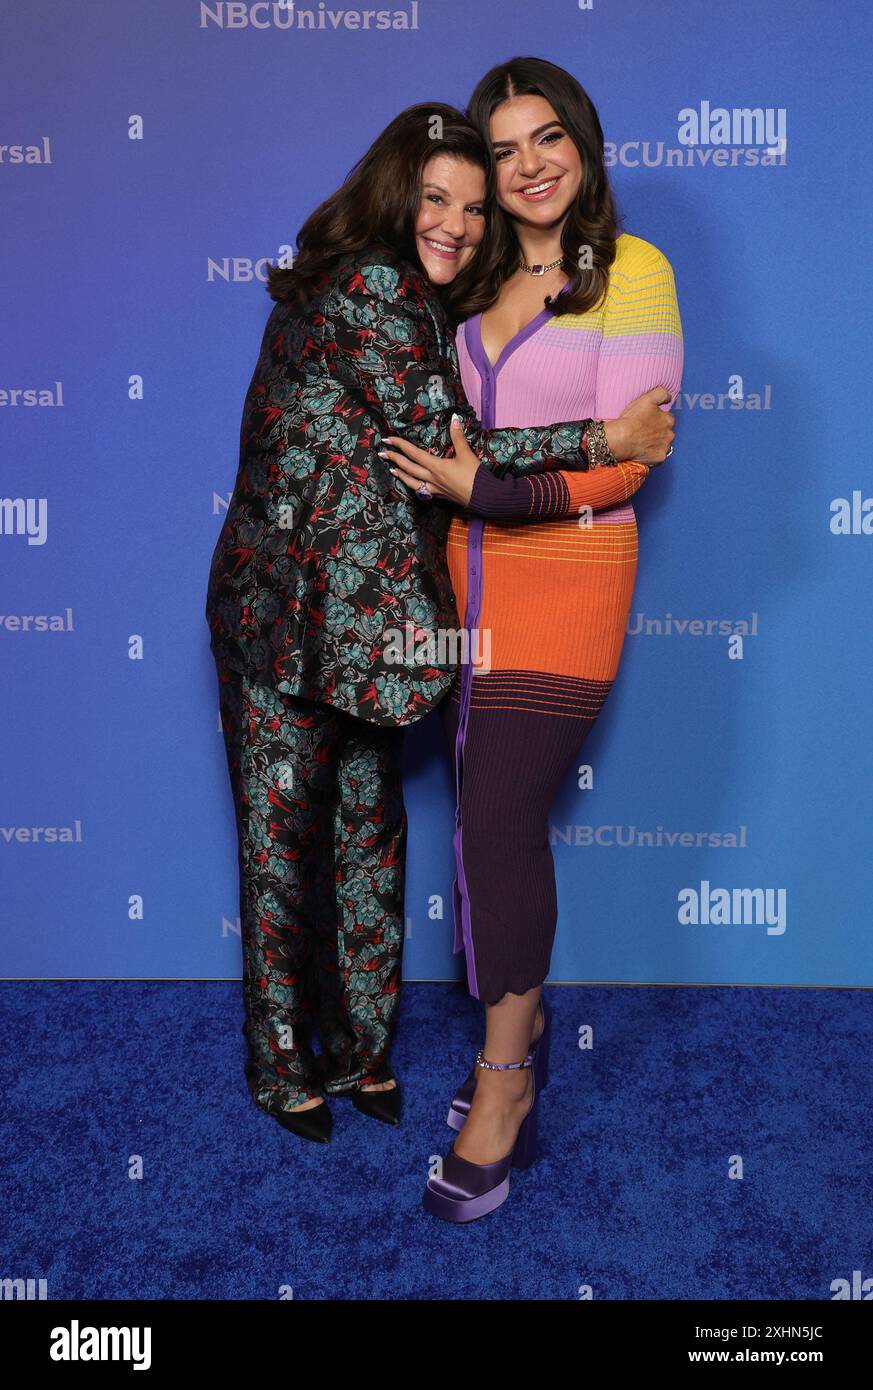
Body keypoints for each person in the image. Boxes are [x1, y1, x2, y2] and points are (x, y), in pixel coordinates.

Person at [205, 101, 671, 1146]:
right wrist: (609, 431)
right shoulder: (371, 287)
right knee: (285, 850)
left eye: (473, 204)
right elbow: (453, 441)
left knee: (370, 831)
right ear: (391, 190)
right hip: (285, 617)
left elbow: (449, 456)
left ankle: (365, 1053)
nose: (458, 222)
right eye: (438, 197)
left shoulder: (425, 295)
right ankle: (285, 1066)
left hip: (376, 622)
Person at [381, 58, 683, 1220]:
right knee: (473, 817)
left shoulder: (636, 274)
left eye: (547, 137)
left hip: (568, 585)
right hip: (458, 596)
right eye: (503, 151)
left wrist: (491, 491)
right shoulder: (469, 282)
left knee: (501, 818)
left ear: (584, 142)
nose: (529, 166)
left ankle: (505, 1081)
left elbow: (631, 457)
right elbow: (438, 438)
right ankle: (528, 1027)